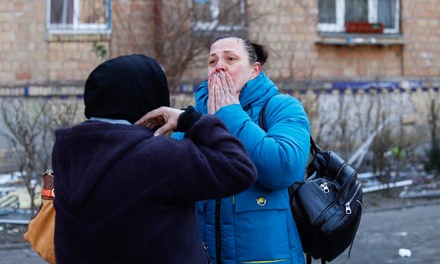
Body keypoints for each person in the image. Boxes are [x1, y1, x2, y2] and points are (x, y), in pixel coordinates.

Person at [52, 54, 257, 263]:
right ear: (149, 100)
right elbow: (239, 168)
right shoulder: (157, 157)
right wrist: (189, 119)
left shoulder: (68, 152)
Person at [174, 35, 311, 264]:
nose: (219, 67)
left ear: (254, 70)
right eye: (212, 61)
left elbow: (284, 167)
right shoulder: (195, 116)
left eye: (230, 59)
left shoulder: (282, 107)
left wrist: (230, 113)